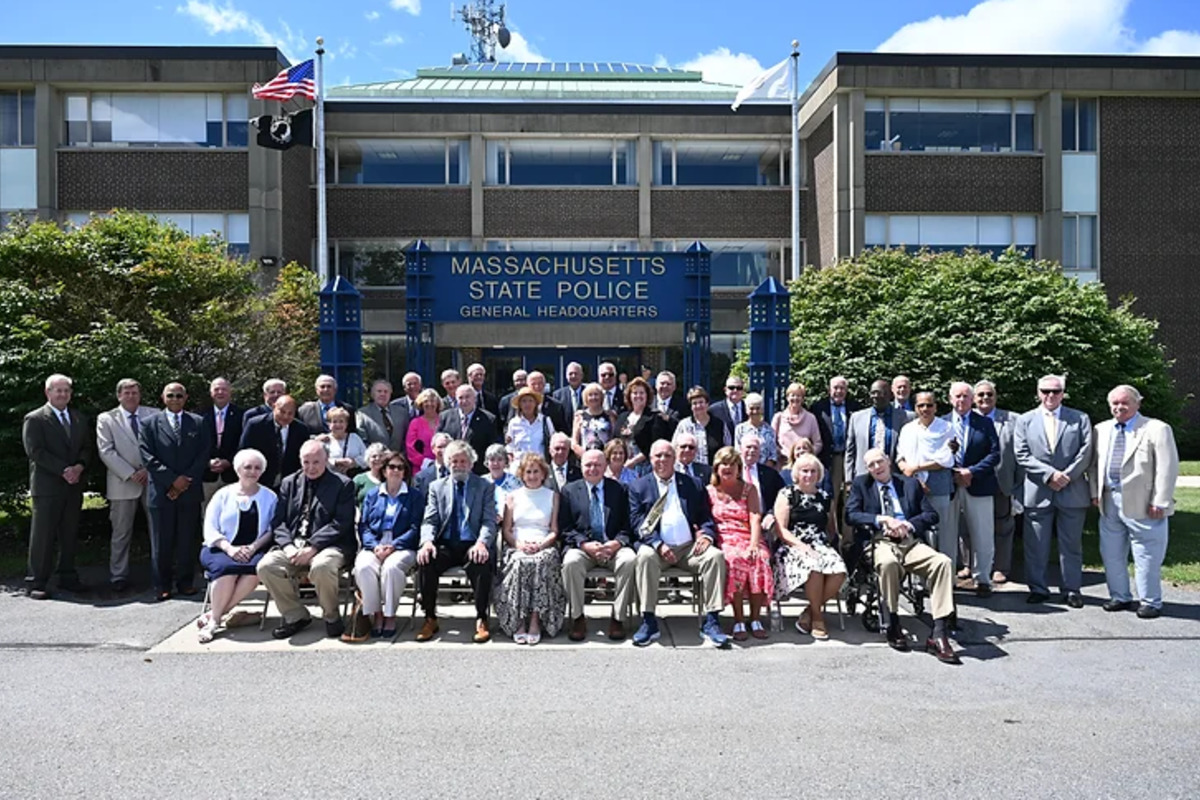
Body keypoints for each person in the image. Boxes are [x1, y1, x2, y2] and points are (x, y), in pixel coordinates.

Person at [846, 449, 960, 665]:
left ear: (888, 461)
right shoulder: (862, 484)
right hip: (878, 540)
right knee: (888, 563)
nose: (876, 467)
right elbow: (850, 514)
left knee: (942, 563)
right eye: (871, 465)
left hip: (909, 541)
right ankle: (892, 621)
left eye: (880, 462)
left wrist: (907, 525)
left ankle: (938, 632)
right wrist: (882, 520)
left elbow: (930, 514)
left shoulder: (909, 484)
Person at [628, 440, 730, 649]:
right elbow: (637, 523)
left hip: (688, 548)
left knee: (715, 557)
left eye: (667, 455)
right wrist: (657, 544)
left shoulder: (692, 484)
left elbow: (705, 517)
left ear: (675, 459)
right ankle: (649, 621)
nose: (662, 460)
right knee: (645, 557)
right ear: (650, 458)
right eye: (658, 456)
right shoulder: (639, 486)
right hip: (657, 549)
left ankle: (712, 620)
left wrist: (706, 536)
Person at [1090, 385, 1179, 619]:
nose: (1119, 407)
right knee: (1111, 552)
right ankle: (1119, 596)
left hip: (1144, 503)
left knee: (1146, 553)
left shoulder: (1156, 428)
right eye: (1115, 403)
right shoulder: (1101, 429)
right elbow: (1094, 465)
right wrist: (1094, 492)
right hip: (1108, 500)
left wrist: (1160, 501)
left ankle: (1150, 601)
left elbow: (1167, 467)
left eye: (1125, 403)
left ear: (1137, 403)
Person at [257, 440, 356, 639]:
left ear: (326, 460)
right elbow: (279, 521)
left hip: (330, 545)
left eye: (316, 462)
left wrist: (313, 546)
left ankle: (331, 617)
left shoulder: (343, 484)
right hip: (293, 545)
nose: (311, 467)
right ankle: (296, 616)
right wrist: (288, 547)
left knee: (322, 566)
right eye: (306, 462)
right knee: (266, 566)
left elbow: (341, 522)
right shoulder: (289, 483)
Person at [1014, 374, 1094, 607]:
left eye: (1056, 391)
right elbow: (1021, 454)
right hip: (1038, 491)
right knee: (1035, 545)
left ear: (1063, 393)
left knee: (1071, 545)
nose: (1050, 395)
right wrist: (1049, 475)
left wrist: (1066, 475)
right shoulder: (1025, 420)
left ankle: (1072, 590)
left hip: (1072, 490)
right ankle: (1038, 588)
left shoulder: (1079, 418)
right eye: (1045, 391)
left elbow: (1086, 451)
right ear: (1038, 392)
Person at [415, 440, 498, 643]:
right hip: (446, 543)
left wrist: (481, 543)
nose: (459, 465)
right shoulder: (437, 487)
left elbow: (489, 520)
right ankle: (430, 618)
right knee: (426, 561)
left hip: (472, 542)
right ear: (447, 463)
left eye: (463, 461)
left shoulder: (484, 486)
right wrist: (427, 542)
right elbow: (430, 519)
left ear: (471, 464)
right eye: (454, 461)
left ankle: (481, 618)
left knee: (481, 562)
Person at [23, 373, 94, 599]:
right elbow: (35, 451)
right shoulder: (35, 419)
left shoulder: (78, 418)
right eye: (58, 390)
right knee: (42, 536)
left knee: (69, 533)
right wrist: (64, 470)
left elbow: (86, 447)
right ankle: (37, 582)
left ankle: (67, 576)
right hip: (47, 487)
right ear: (48, 393)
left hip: (73, 486)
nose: (62, 394)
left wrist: (79, 467)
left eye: (66, 391)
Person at [139, 382, 211, 602]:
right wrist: (172, 480)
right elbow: (147, 456)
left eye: (179, 395)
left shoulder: (198, 423)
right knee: (162, 541)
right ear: (163, 397)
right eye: (171, 395)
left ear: (186, 397)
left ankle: (186, 583)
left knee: (187, 540)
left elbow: (203, 453)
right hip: (161, 492)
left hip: (189, 490)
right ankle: (162, 585)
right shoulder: (149, 424)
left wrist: (185, 480)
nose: (175, 399)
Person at [197, 448, 277, 643]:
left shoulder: (270, 497)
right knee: (226, 569)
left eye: (257, 468)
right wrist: (229, 549)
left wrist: (253, 547)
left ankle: (214, 615)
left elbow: (272, 529)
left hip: (254, 548)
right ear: (238, 469)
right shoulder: (222, 495)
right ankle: (216, 620)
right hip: (221, 547)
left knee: (256, 570)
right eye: (247, 467)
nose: (252, 471)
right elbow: (210, 528)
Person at [559, 449, 636, 641]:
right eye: (588, 465)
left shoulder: (619, 490)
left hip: (612, 546)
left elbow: (628, 525)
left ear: (605, 466)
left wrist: (616, 543)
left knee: (629, 560)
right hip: (583, 548)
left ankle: (618, 617)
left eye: (597, 465)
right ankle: (577, 617)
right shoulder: (569, 491)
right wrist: (584, 544)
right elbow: (565, 527)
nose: (592, 469)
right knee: (570, 562)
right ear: (581, 466)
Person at [494, 453, 566, 643]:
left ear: (543, 474)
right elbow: (507, 530)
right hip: (517, 545)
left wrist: (540, 545)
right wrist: (519, 545)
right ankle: (518, 621)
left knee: (541, 562)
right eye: (528, 472)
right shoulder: (512, 497)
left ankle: (535, 619)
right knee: (519, 563)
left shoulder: (553, 497)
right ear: (522, 474)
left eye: (536, 471)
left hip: (544, 545)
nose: (532, 476)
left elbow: (554, 530)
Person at [773, 453, 846, 640]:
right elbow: (781, 530)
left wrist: (828, 548)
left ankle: (809, 612)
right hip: (792, 546)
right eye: (805, 470)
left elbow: (831, 529)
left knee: (839, 570)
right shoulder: (786, 494)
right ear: (796, 473)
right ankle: (818, 619)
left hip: (819, 544)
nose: (809, 474)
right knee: (814, 567)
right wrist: (802, 546)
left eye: (813, 471)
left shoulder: (825, 497)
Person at [96, 378, 159, 594]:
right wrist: (131, 473)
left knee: (157, 529)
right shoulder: (106, 418)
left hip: (151, 479)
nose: (131, 396)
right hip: (122, 482)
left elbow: (161, 446)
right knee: (121, 532)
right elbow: (106, 451)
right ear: (119, 395)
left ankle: (159, 571)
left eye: (134, 392)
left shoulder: (153, 414)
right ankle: (118, 575)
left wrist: (147, 470)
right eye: (127, 392)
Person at [707, 446, 773, 642]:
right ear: (716, 468)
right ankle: (738, 619)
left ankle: (755, 618)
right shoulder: (709, 491)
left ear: (739, 467)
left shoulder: (748, 489)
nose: (728, 468)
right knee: (735, 560)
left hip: (748, 535)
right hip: (724, 537)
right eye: (723, 464)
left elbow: (755, 516)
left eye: (732, 464)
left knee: (760, 558)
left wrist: (754, 544)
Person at [354, 451, 423, 639]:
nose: (396, 471)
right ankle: (377, 614)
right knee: (363, 567)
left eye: (400, 468)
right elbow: (364, 526)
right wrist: (375, 546)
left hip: (402, 545)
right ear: (383, 471)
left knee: (391, 568)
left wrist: (394, 545)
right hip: (375, 544)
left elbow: (416, 527)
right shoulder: (372, 495)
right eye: (391, 467)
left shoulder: (414, 496)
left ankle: (390, 615)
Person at [942, 381, 1001, 597]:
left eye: (965, 396)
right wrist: (955, 474)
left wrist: (971, 472)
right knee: (947, 534)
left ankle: (983, 579)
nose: (961, 400)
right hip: (948, 486)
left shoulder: (984, 423)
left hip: (979, 485)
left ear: (972, 399)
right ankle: (947, 579)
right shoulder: (941, 424)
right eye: (957, 396)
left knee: (983, 535)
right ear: (950, 399)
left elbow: (995, 454)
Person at [895, 390, 956, 564]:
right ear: (915, 408)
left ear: (935, 407)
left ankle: (946, 578)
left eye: (929, 405)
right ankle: (919, 583)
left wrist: (916, 467)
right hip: (913, 486)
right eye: (921, 405)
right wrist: (907, 470)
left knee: (944, 533)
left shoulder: (946, 428)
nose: (925, 409)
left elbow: (946, 459)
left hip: (938, 485)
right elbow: (900, 456)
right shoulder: (908, 429)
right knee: (916, 531)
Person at [974, 380, 1019, 584]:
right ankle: (970, 565)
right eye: (981, 395)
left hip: (1002, 481)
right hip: (974, 481)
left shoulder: (1013, 420)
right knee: (969, 527)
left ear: (995, 396)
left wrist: (1018, 485)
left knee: (1003, 526)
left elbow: (1020, 454)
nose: (985, 398)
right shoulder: (967, 419)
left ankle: (1001, 567)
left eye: (989, 394)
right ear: (974, 399)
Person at [812, 376, 861, 538]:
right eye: (835, 388)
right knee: (830, 497)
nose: (838, 391)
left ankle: (848, 540)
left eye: (842, 388)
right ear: (829, 389)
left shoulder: (856, 408)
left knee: (850, 497)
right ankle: (831, 536)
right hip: (828, 459)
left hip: (849, 458)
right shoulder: (819, 408)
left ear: (846, 390)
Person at [845, 379, 910, 483]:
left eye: (879, 393)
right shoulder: (857, 418)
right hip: (864, 475)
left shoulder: (905, 417)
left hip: (895, 476)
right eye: (873, 393)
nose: (875, 396)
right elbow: (850, 451)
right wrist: (849, 479)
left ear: (889, 395)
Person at [239, 395, 309, 489]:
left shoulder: (301, 430)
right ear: (274, 407)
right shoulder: (255, 425)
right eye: (282, 411)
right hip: (259, 481)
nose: (285, 416)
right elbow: (243, 453)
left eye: (290, 413)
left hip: (289, 484)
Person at [437, 383, 500, 474]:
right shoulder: (445, 417)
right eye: (461, 398)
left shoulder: (489, 419)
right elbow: (439, 441)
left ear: (475, 398)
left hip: (477, 471)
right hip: (451, 470)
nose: (464, 401)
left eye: (467, 397)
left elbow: (491, 446)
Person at [201, 377, 242, 505]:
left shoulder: (242, 415)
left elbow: (244, 443)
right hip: (207, 475)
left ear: (230, 392)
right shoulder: (200, 415)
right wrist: (207, 462)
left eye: (224, 389)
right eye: (216, 389)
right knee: (206, 514)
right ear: (211, 392)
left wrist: (229, 461)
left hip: (232, 475)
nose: (220, 392)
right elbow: (196, 445)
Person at [615, 376, 661, 476]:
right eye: (635, 393)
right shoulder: (622, 417)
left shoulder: (654, 417)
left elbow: (653, 445)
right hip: (622, 466)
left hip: (644, 468)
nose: (638, 396)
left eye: (641, 393)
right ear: (629, 396)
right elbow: (615, 441)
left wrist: (633, 461)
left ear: (647, 396)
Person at [672, 386, 728, 466]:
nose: (698, 406)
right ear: (691, 407)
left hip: (714, 472)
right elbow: (674, 448)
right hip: (691, 471)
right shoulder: (684, 425)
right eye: (694, 403)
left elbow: (727, 448)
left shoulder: (720, 424)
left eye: (701, 402)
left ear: (707, 404)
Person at [772, 382, 823, 463]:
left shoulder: (811, 418)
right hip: (783, 463)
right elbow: (772, 442)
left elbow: (818, 443)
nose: (795, 398)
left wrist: (808, 455)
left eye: (799, 395)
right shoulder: (778, 418)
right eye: (792, 395)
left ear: (803, 399)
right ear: (787, 397)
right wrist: (783, 453)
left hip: (804, 464)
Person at [359, 379, 410, 454]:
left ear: (390, 394)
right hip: (375, 461)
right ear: (373, 394)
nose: (382, 394)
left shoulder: (402, 413)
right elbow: (362, 441)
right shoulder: (362, 414)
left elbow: (407, 438)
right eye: (379, 391)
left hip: (398, 461)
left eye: (386, 391)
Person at [505, 386, 552, 463]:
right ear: (519, 404)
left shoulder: (545, 421)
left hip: (541, 466)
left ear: (535, 403)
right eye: (524, 401)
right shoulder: (513, 423)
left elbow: (553, 443)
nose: (527, 404)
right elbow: (510, 447)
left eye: (531, 401)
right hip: (519, 466)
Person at [318, 407, 367, 476]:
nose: (338, 424)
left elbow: (366, 457)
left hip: (353, 477)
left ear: (346, 424)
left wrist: (354, 462)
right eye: (334, 421)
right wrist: (335, 462)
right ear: (328, 424)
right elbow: (319, 460)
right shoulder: (324, 440)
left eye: (341, 421)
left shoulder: (354, 438)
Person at [572, 382, 617, 458]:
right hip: (585, 459)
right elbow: (574, 443)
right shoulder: (579, 416)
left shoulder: (610, 416)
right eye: (590, 395)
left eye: (596, 394)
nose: (593, 397)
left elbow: (614, 439)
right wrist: (586, 456)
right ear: (585, 398)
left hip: (605, 458)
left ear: (601, 397)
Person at [734, 392, 778, 468]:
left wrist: (763, 470)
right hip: (745, 470)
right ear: (746, 410)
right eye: (751, 408)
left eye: (757, 408)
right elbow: (738, 452)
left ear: (762, 410)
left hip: (765, 470)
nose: (755, 411)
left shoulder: (769, 430)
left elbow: (773, 455)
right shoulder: (740, 429)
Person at [405, 387, 443, 474]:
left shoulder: (444, 420)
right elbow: (410, 448)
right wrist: (427, 463)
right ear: (421, 404)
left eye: (432, 401)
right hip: (421, 469)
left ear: (437, 403)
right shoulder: (415, 423)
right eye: (426, 401)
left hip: (443, 467)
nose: (429, 404)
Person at [484, 443, 522, 521]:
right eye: (492, 460)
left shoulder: (515, 482)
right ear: (487, 463)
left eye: (500, 459)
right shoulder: (481, 482)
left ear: (506, 462)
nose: (496, 463)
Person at [709, 376, 748, 443]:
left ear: (743, 391)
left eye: (739, 388)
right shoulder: (714, 410)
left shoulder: (749, 408)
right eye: (731, 388)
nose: (735, 390)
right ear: (725, 390)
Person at [413, 433, 453, 498]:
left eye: (446, 447)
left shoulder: (458, 474)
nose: (443, 450)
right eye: (440, 447)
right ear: (433, 449)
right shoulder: (421, 477)